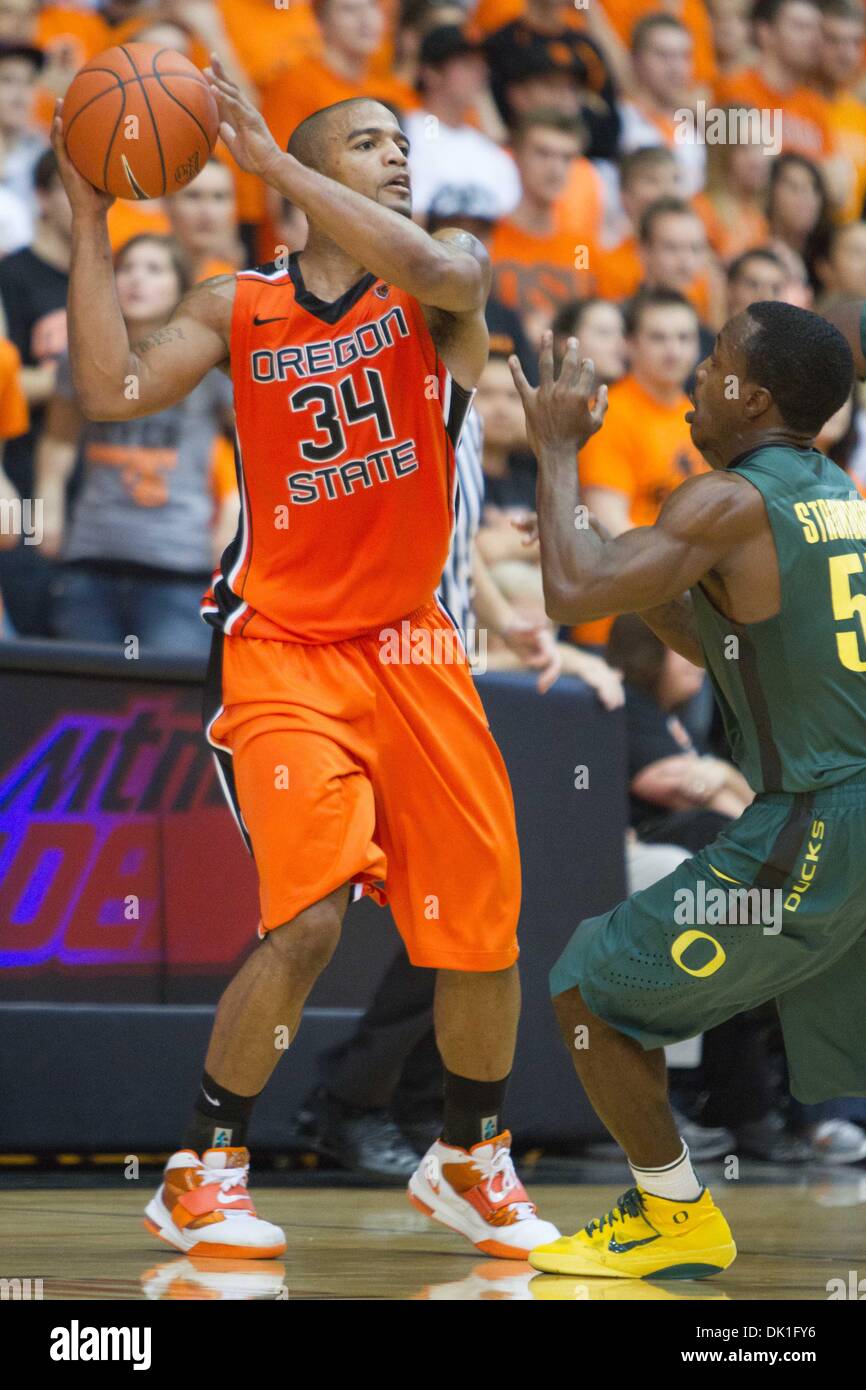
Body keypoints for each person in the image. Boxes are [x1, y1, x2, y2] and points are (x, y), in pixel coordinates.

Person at [52, 58, 560, 1260]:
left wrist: (272, 167)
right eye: (369, 140)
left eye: (402, 140)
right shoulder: (239, 304)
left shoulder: (443, 282)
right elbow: (108, 384)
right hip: (280, 645)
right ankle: (203, 1166)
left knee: (482, 930)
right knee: (310, 919)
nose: (397, 153)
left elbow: (443, 270)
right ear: (321, 161)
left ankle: (467, 1156)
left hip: (417, 648)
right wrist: (85, 216)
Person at [508, 299, 866, 1279]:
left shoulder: (726, 500)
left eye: (711, 362)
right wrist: (639, 571)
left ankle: (672, 1212)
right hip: (841, 809)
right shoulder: (829, 489)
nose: (693, 382)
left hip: (817, 817)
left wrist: (552, 450)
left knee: (587, 987)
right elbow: (732, 640)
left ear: (750, 395)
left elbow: (574, 593)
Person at [36, 234, 235, 657]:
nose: (136, 280)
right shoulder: (84, 357)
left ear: (182, 288)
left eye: (154, 269)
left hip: (179, 565)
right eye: (126, 269)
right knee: (83, 703)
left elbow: (254, 443)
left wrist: (233, 510)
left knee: (165, 709)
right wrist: (48, 506)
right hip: (90, 557)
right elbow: (58, 439)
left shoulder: (208, 362)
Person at [0, 145, 68, 635]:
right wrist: (76, 379)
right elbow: (6, 375)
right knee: (29, 612)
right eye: (73, 190)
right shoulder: (9, 275)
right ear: (41, 198)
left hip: (88, 471)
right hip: (18, 466)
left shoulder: (112, 276)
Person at [404, 24, 520, 220]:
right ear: (431, 72)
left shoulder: (491, 152)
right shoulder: (400, 133)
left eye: (482, 65)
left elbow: (506, 228)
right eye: (467, 64)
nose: (481, 73)